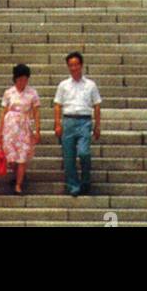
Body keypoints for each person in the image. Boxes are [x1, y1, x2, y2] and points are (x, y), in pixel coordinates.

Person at [53, 52, 101, 197]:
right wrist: (57, 124)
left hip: (84, 121)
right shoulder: (63, 85)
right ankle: (73, 186)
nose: (74, 68)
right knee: (69, 156)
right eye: (71, 65)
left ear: (81, 65)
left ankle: (85, 181)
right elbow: (57, 105)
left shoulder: (90, 85)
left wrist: (97, 125)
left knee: (84, 152)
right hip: (68, 121)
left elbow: (97, 105)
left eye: (76, 64)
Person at [0, 64, 41, 194]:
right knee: (12, 158)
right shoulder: (8, 93)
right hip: (10, 127)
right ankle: (18, 175)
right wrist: (0, 132)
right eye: (20, 79)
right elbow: (3, 112)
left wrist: (38, 130)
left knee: (22, 156)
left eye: (25, 79)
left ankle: (18, 184)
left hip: (24, 127)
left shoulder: (32, 93)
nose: (22, 82)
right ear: (15, 79)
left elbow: (36, 112)